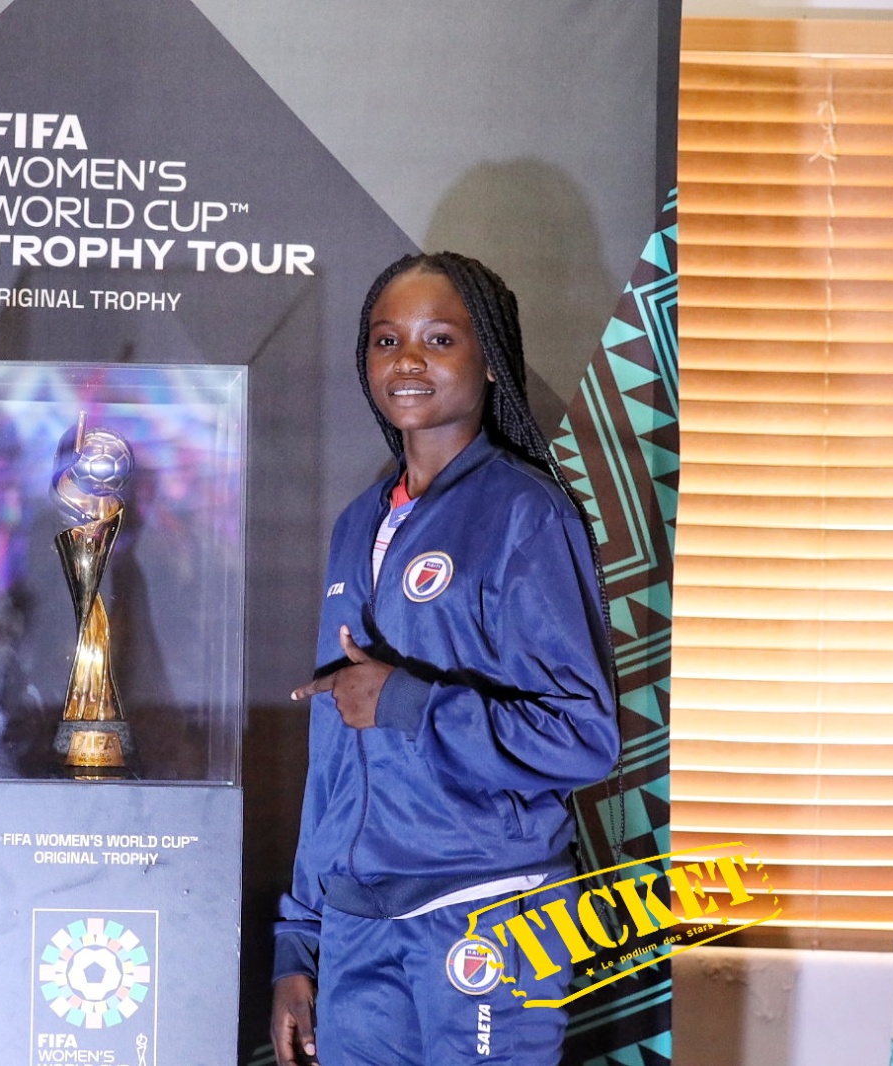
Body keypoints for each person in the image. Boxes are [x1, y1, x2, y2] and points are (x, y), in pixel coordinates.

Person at [271, 253, 619, 1065]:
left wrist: (409, 702)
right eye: (387, 340)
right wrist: (300, 938)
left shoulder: (524, 515)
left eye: (440, 338)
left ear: (491, 359)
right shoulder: (358, 523)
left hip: (486, 916)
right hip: (359, 929)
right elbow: (335, 750)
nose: (409, 360)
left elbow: (584, 738)